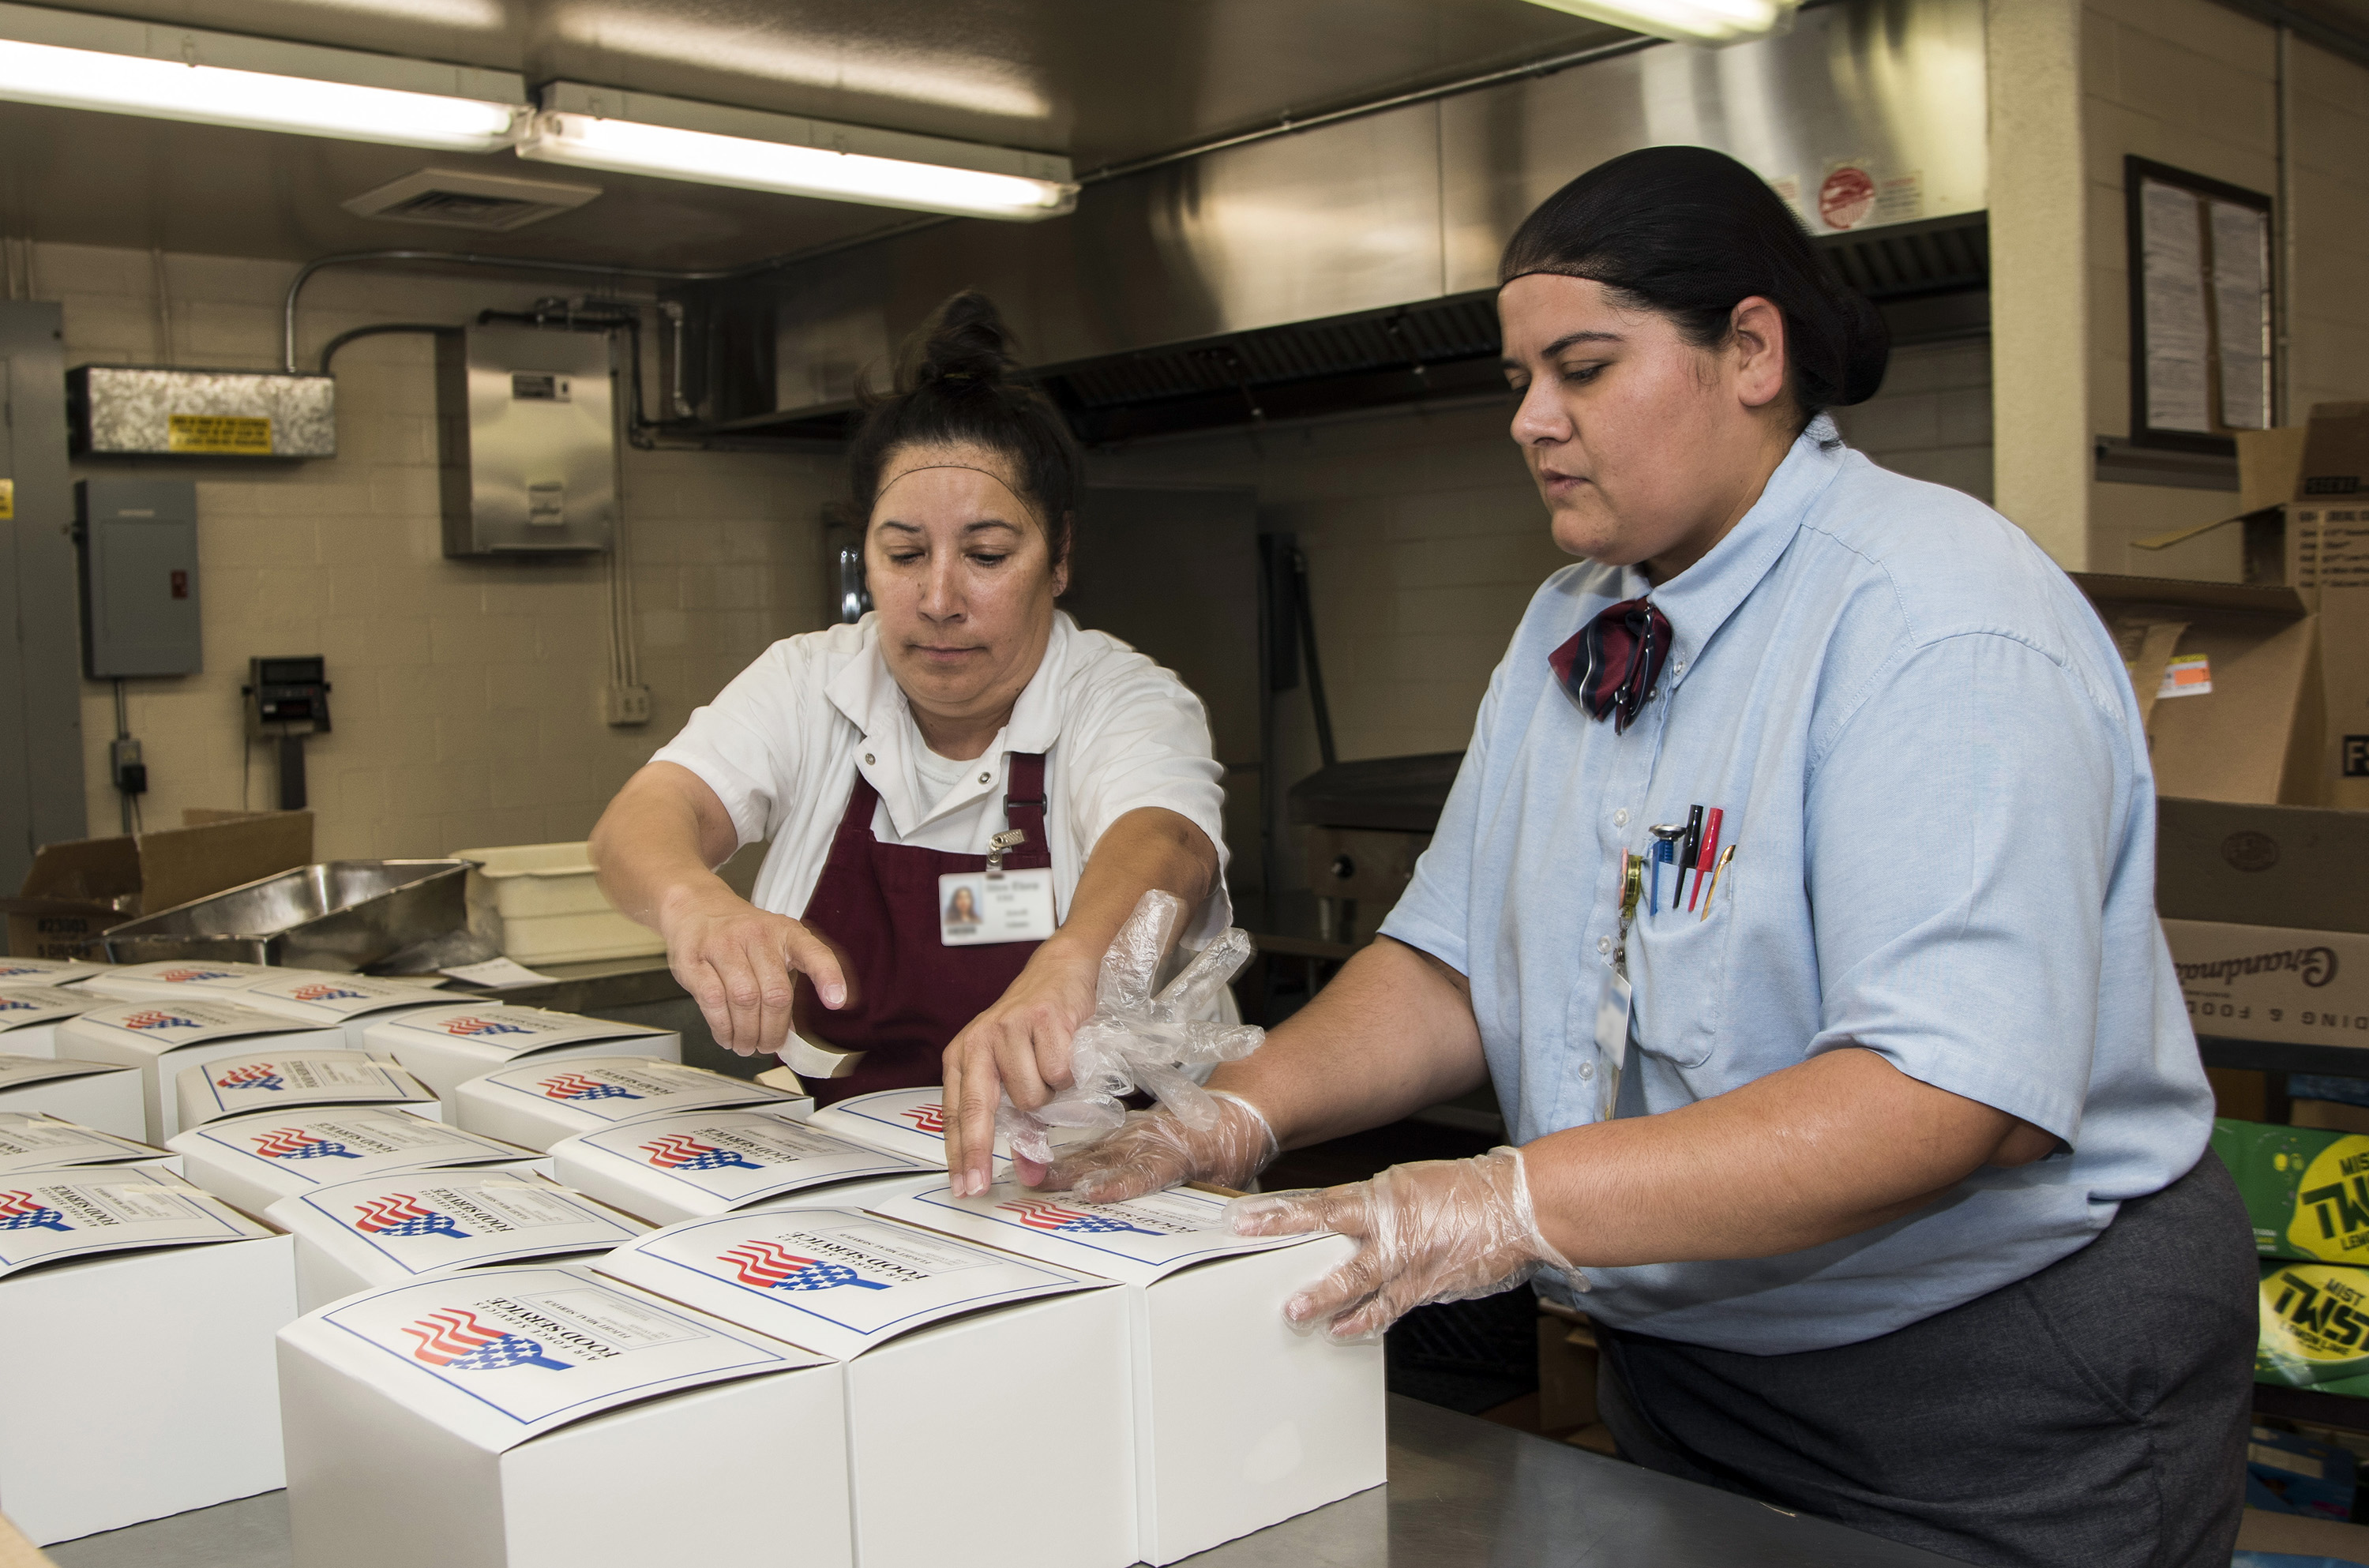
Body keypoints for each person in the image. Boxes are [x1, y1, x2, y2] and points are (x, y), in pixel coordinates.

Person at [1010, 147, 2256, 1567]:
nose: (1533, 420)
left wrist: (1511, 1198)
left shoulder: (1935, 618)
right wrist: (1223, 1117)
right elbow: (1451, 961)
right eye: (1518, 379)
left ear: (1751, 351)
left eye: (1584, 368)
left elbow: (1945, 1095)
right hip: (1702, 1369)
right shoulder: (1573, 624)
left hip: (1996, 1387)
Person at [590, 291, 1229, 1157]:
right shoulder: (811, 680)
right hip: (850, 1177)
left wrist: (1076, 959)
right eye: (904, 554)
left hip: (1104, 1171)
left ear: (1061, 555)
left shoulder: (1119, 698)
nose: (938, 600)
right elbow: (645, 815)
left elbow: (1167, 843)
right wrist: (692, 901)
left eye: (987, 556)